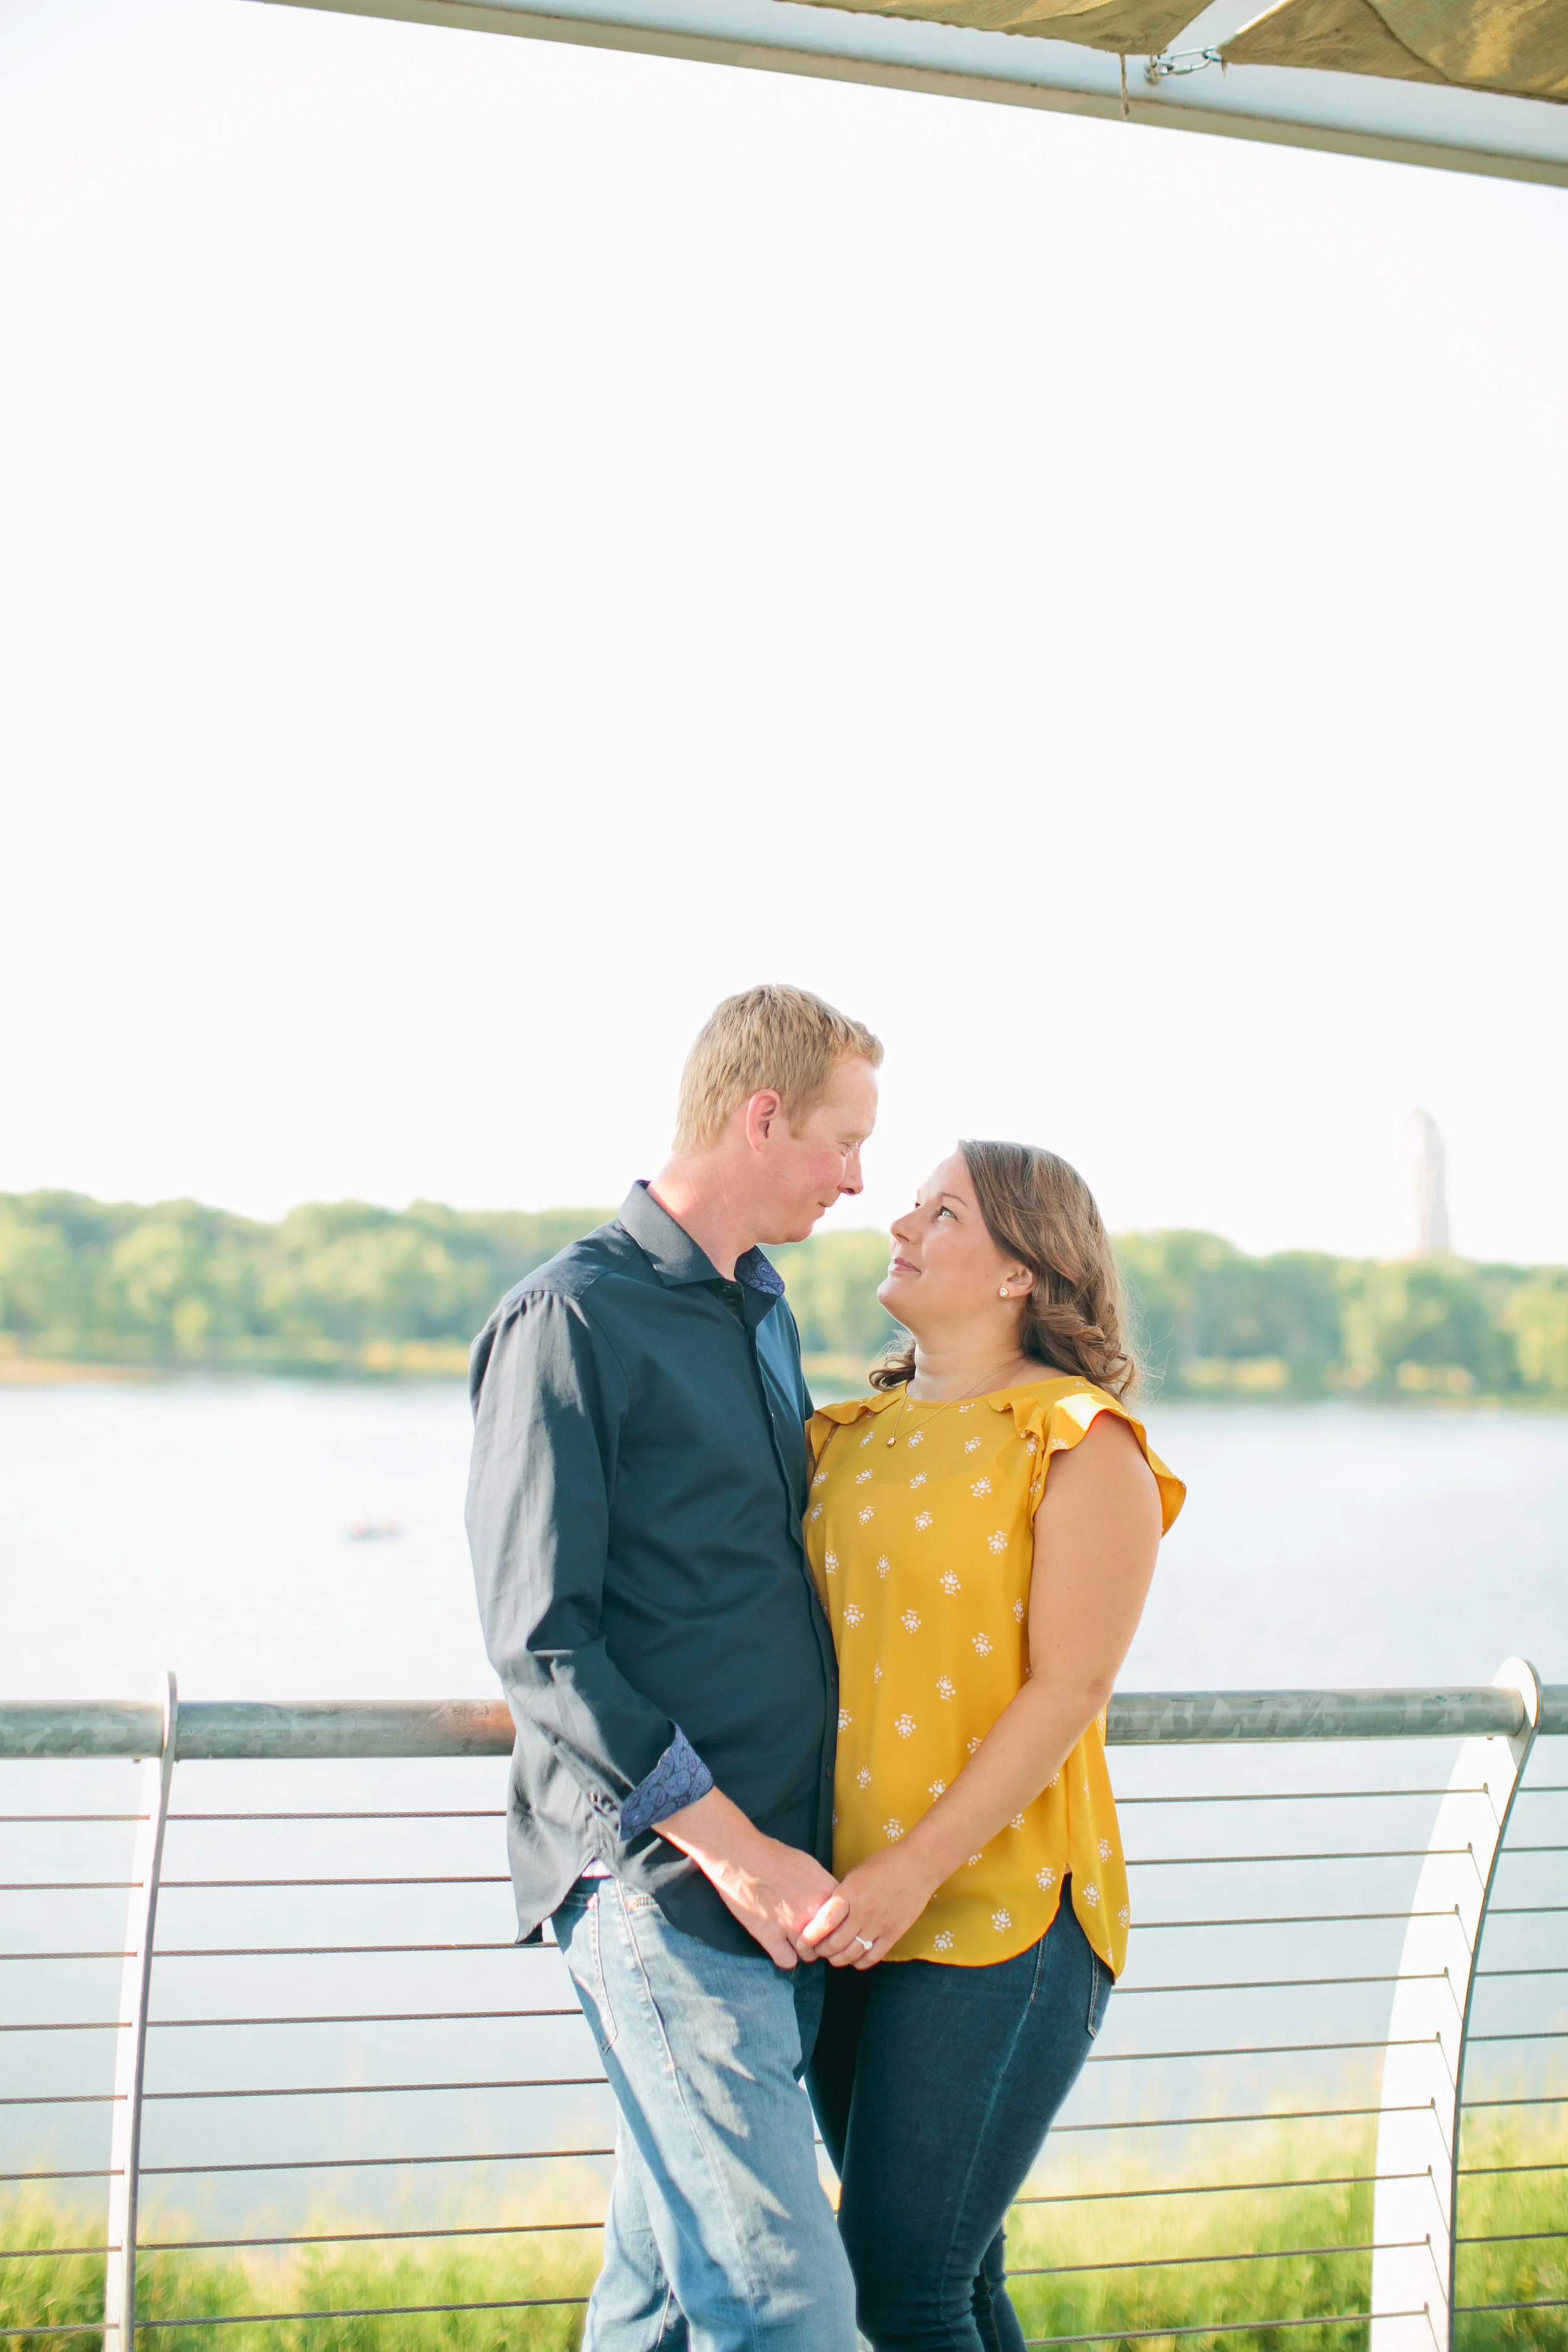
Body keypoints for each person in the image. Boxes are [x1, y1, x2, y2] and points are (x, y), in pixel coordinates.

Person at [465, 983, 881, 2352]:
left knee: (651, 2307)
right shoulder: (566, 1318)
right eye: (841, 1139)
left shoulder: (760, 1312)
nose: (855, 1177)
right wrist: (731, 1847)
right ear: (761, 1117)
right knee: (785, 2308)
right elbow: (542, 1638)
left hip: (778, 1877)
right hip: (665, 1883)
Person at [798, 1140, 1186, 2352]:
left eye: (943, 1211)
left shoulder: (1081, 1439)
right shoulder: (840, 1436)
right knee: (950, 2283)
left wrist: (909, 1872)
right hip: (840, 1912)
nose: (899, 1222)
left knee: (897, 2287)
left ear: (1026, 1268)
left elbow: (1069, 1687)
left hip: (1004, 1911)